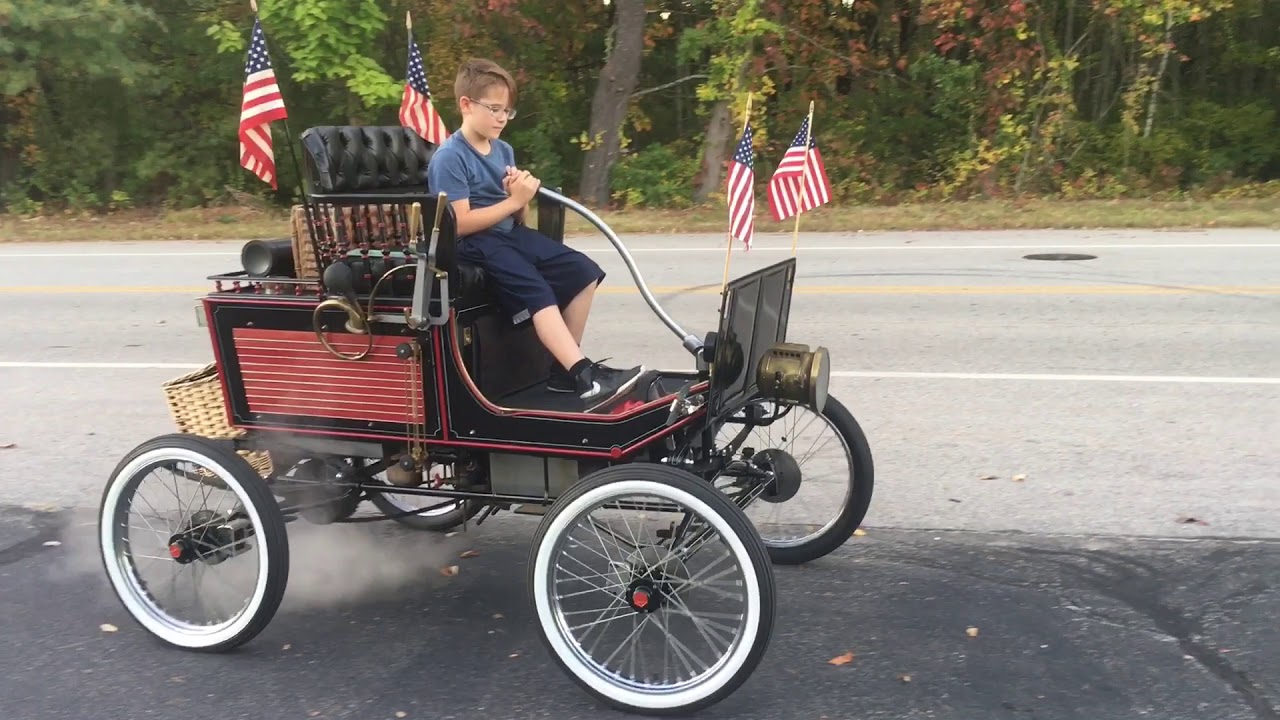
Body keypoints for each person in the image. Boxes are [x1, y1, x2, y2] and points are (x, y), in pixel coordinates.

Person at [426, 58, 644, 403]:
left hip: (507, 234)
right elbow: (460, 223)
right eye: (494, 109)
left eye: (507, 111)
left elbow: (517, 215)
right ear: (466, 105)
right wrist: (514, 202)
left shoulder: (503, 150)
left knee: (583, 272)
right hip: (471, 243)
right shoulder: (450, 157)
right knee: (537, 289)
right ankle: (585, 375)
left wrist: (521, 197)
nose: (501, 118)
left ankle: (561, 372)